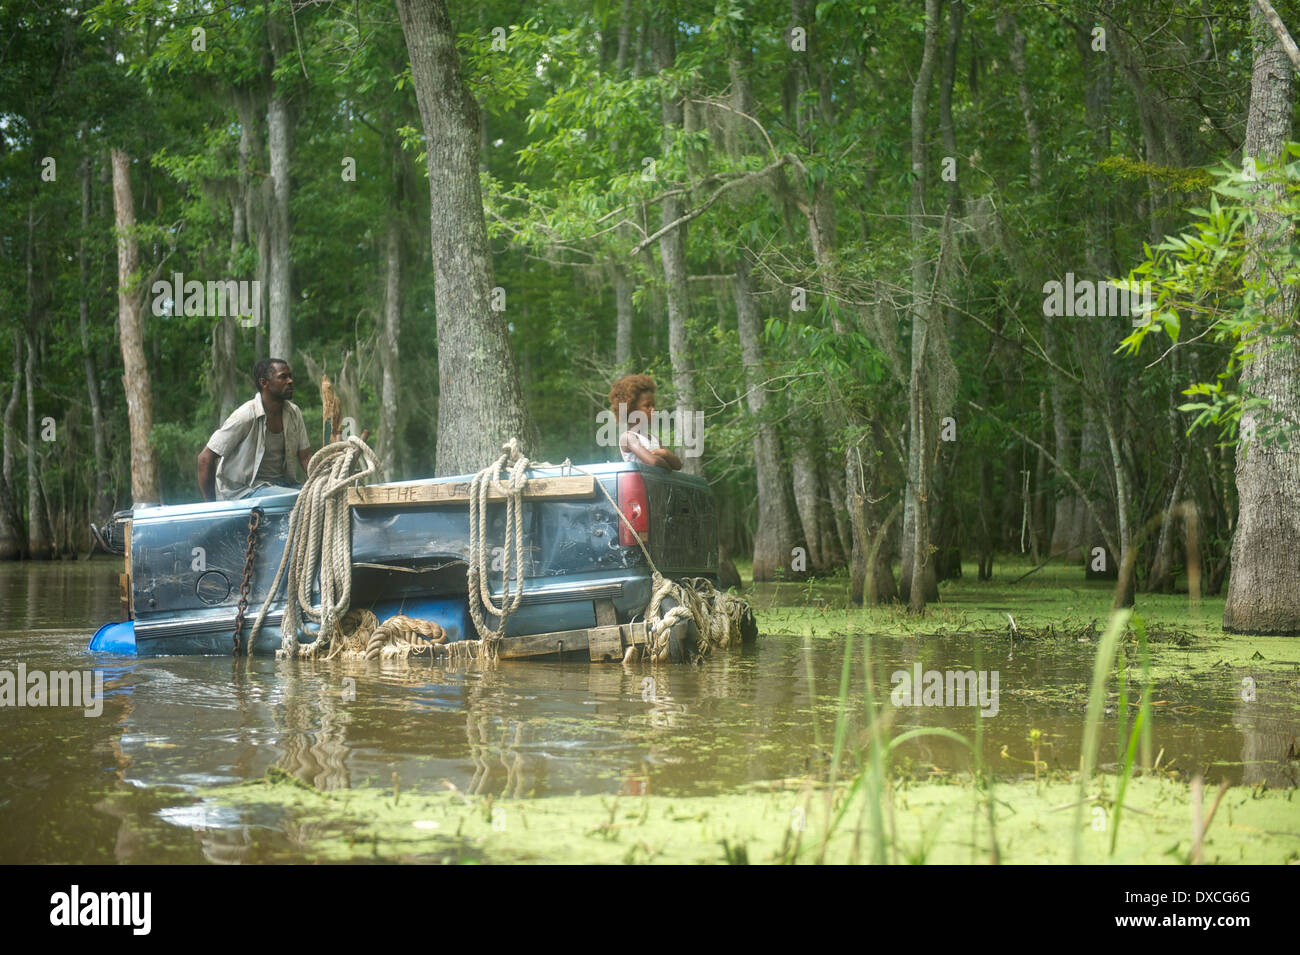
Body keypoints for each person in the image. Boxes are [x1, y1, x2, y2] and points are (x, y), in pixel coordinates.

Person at [197, 358, 312, 501]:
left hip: (281, 486)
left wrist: (322, 483)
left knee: (317, 496)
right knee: (301, 499)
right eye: (283, 377)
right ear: (264, 383)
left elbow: (306, 457)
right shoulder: (245, 415)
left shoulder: (294, 413)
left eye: (290, 376)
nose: (290, 381)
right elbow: (204, 458)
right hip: (244, 492)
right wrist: (212, 508)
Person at [608, 374, 682, 471]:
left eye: (653, 405)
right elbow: (654, 462)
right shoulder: (628, 437)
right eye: (647, 406)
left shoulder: (654, 439)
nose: (653, 409)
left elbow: (677, 465)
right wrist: (668, 468)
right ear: (630, 410)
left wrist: (665, 453)